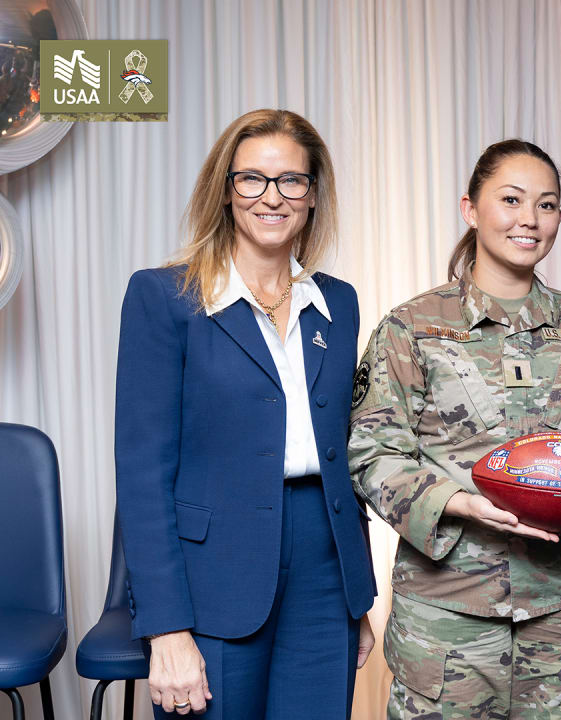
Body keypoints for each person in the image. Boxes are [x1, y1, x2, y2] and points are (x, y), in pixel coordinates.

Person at [348, 139, 561, 720]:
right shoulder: (411, 329)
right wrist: (459, 502)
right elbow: (371, 451)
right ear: (470, 208)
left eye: (547, 204)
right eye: (511, 200)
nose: (529, 220)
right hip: (447, 621)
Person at [115, 109, 377, 719]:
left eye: (292, 181)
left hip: (324, 567)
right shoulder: (164, 298)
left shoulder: (336, 303)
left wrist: (355, 595)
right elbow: (142, 475)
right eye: (252, 179)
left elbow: (341, 453)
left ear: (312, 196)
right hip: (213, 574)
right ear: (225, 189)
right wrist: (167, 630)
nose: (272, 197)